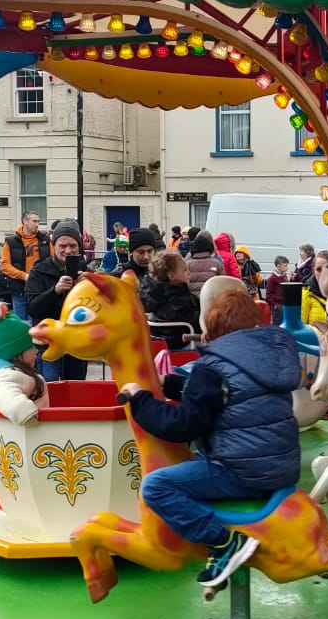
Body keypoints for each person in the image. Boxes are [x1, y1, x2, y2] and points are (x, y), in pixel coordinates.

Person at [121, 288, 301, 592]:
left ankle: (224, 543)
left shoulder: (212, 368)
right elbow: (233, 395)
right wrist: (176, 384)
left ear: (212, 329)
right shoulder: (270, 357)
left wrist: (140, 400)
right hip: (281, 465)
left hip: (241, 471)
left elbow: (183, 426)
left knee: (156, 486)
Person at [24, 220, 88, 380]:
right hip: (48, 343)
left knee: (76, 391)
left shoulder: (86, 271)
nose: (68, 250)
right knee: (50, 388)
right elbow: (32, 308)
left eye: (73, 246)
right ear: (54, 246)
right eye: (63, 246)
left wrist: (88, 287)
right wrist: (55, 291)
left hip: (77, 344)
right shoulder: (39, 271)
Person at [141, 251, 202, 351]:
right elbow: (196, 322)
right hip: (178, 343)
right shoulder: (176, 300)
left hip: (158, 341)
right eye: (185, 270)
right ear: (172, 276)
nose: (189, 273)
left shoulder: (154, 294)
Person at [0, 212, 50, 321]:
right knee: (21, 324)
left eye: (38, 221)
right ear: (25, 221)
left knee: (36, 323)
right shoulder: (11, 242)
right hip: (19, 290)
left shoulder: (45, 240)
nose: (37, 224)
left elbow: (53, 260)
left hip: (39, 290)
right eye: (34, 221)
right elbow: (4, 265)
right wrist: (24, 276)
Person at [301, 249, 328, 324]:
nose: (323, 273)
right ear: (313, 270)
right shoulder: (306, 294)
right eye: (319, 269)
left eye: (327, 269)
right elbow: (300, 328)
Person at [183, 230, 223, 296]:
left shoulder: (187, 264)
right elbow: (222, 282)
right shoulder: (217, 263)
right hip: (211, 298)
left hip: (192, 300)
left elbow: (183, 284)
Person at [264, 255, 291, 320]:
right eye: (285, 266)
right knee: (278, 323)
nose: (287, 268)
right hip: (278, 305)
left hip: (285, 303)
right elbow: (268, 294)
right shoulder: (272, 278)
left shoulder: (284, 276)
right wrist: (275, 305)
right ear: (278, 266)